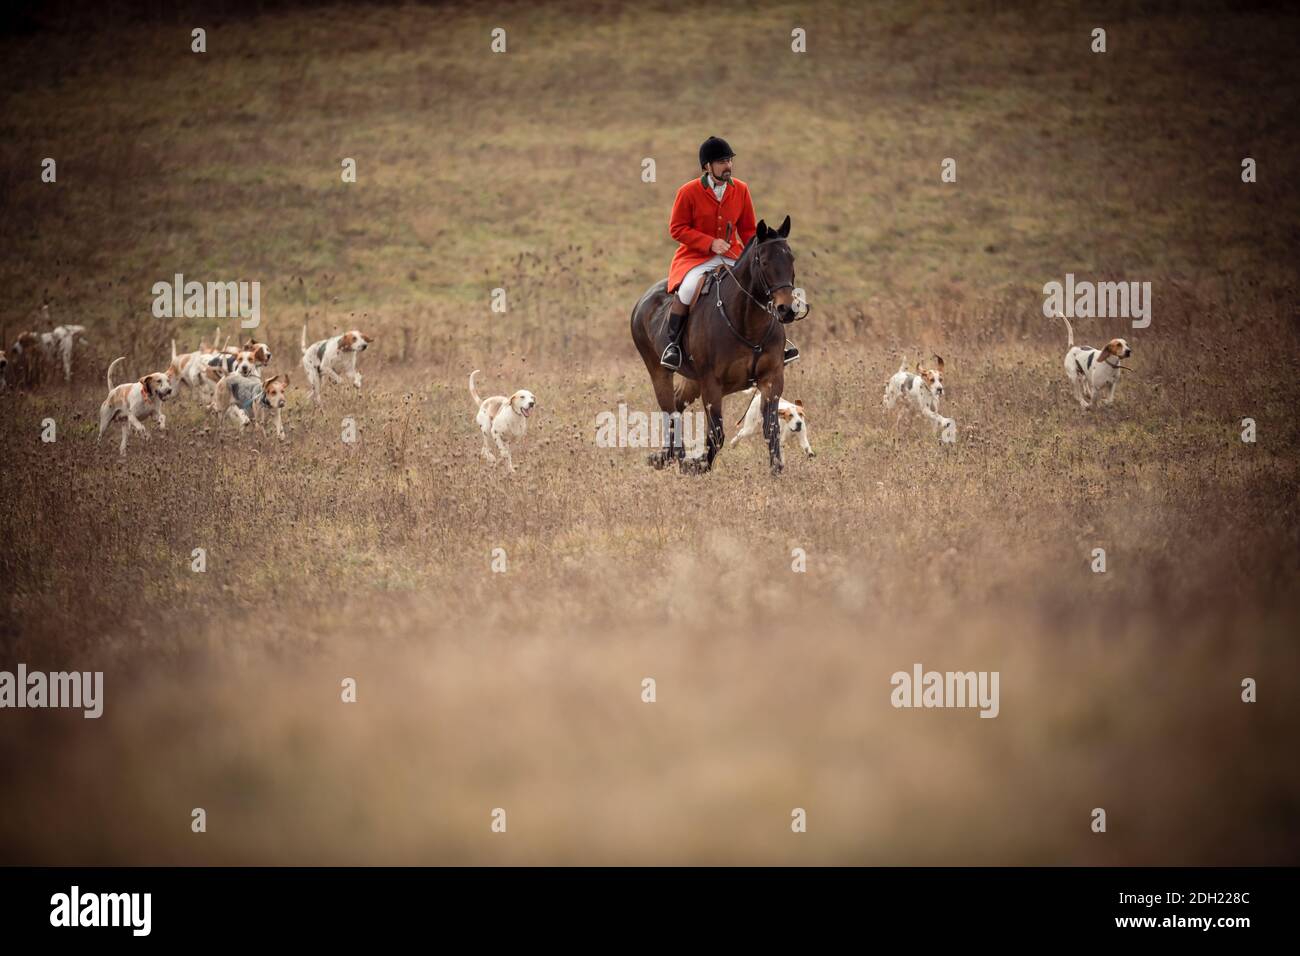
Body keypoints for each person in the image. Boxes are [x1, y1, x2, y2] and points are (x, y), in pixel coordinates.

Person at [661, 135, 798, 370]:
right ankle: (673, 346)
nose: (728, 166)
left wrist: (755, 255)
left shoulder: (741, 189)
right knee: (687, 290)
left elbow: (747, 229)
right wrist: (709, 243)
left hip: (733, 255)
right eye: (722, 161)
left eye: (730, 160)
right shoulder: (688, 191)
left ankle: (779, 342)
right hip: (696, 257)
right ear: (707, 166)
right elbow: (677, 229)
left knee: (758, 285)